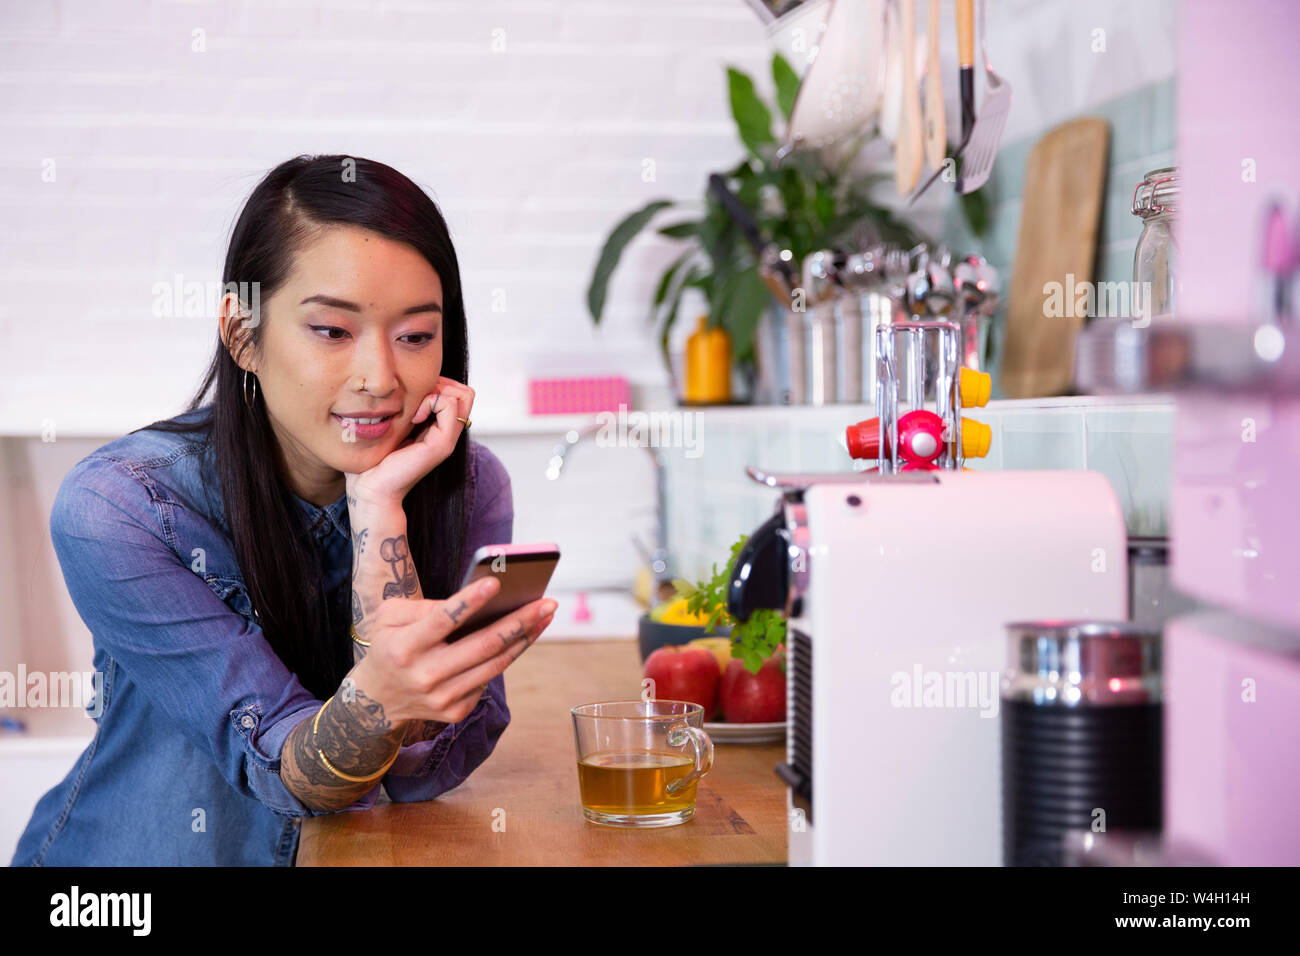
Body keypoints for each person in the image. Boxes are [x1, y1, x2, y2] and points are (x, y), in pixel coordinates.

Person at [10, 155, 556, 866]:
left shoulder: (470, 487)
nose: (380, 378)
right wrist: (379, 697)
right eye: (332, 331)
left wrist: (379, 508)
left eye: (416, 336)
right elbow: (289, 770)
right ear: (243, 336)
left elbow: (421, 775)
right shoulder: (122, 507)